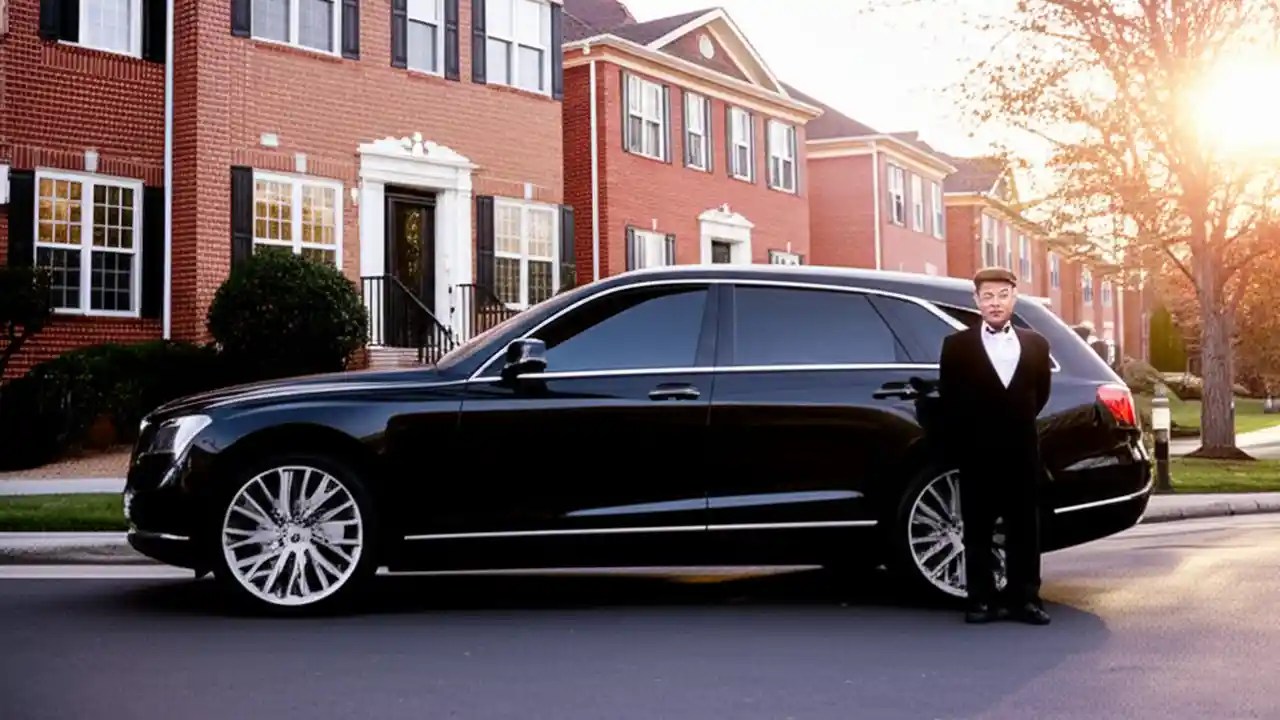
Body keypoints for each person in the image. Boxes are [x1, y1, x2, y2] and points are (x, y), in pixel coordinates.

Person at [938, 267, 1053, 626]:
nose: (995, 303)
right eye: (987, 296)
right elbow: (950, 399)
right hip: (977, 452)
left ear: (1014, 297)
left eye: (1003, 295)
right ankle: (981, 600)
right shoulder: (956, 346)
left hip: (1021, 452)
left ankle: (1026, 599)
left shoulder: (1036, 344)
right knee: (977, 530)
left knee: (1024, 529)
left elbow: (1040, 393)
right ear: (976, 301)